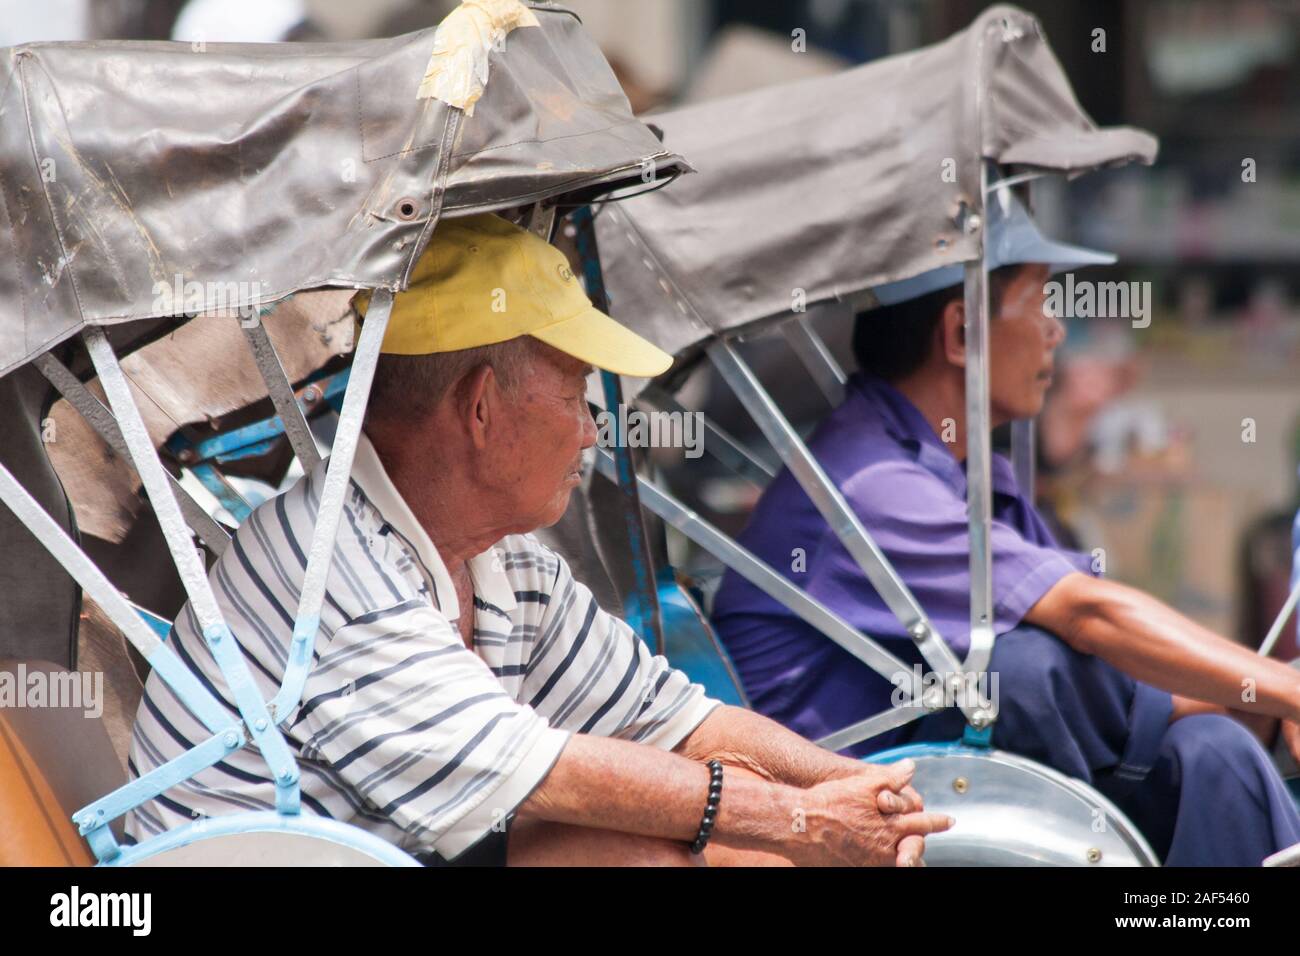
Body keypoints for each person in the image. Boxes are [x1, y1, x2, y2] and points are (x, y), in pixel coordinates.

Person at [124, 213, 951, 866]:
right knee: (637, 845)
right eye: (576, 395)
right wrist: (802, 818)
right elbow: (543, 768)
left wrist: (863, 791)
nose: (592, 431)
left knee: (722, 836)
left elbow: (676, 719)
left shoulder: (498, 558)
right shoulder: (335, 574)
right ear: (482, 409)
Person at [711, 190, 1300, 866]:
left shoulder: (968, 471)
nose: (1057, 332)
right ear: (962, 334)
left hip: (950, 780)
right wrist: (1281, 688)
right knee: (1027, 665)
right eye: (1041, 304)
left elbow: (1118, 677)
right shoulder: (870, 482)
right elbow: (1090, 618)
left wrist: (1260, 692)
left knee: (1214, 755)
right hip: (848, 809)